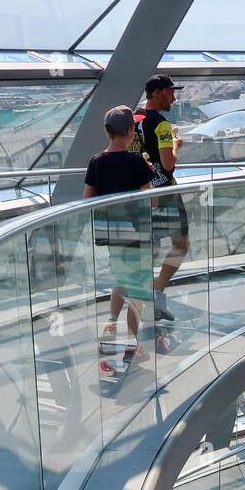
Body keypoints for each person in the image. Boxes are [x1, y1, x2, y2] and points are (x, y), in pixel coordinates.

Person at [85, 105, 158, 357]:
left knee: (120, 280)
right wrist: (147, 166)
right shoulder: (136, 161)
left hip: (111, 233)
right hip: (136, 234)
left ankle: (110, 325)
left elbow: (88, 198)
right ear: (129, 131)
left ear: (108, 131)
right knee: (137, 288)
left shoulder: (96, 161)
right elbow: (152, 200)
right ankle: (132, 342)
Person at [133, 75, 187, 322]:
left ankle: (145, 297)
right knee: (181, 243)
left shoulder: (131, 119)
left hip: (139, 193)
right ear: (157, 93)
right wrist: (176, 145)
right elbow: (168, 165)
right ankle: (157, 291)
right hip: (164, 193)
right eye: (170, 92)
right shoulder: (162, 124)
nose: (174, 98)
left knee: (151, 247)